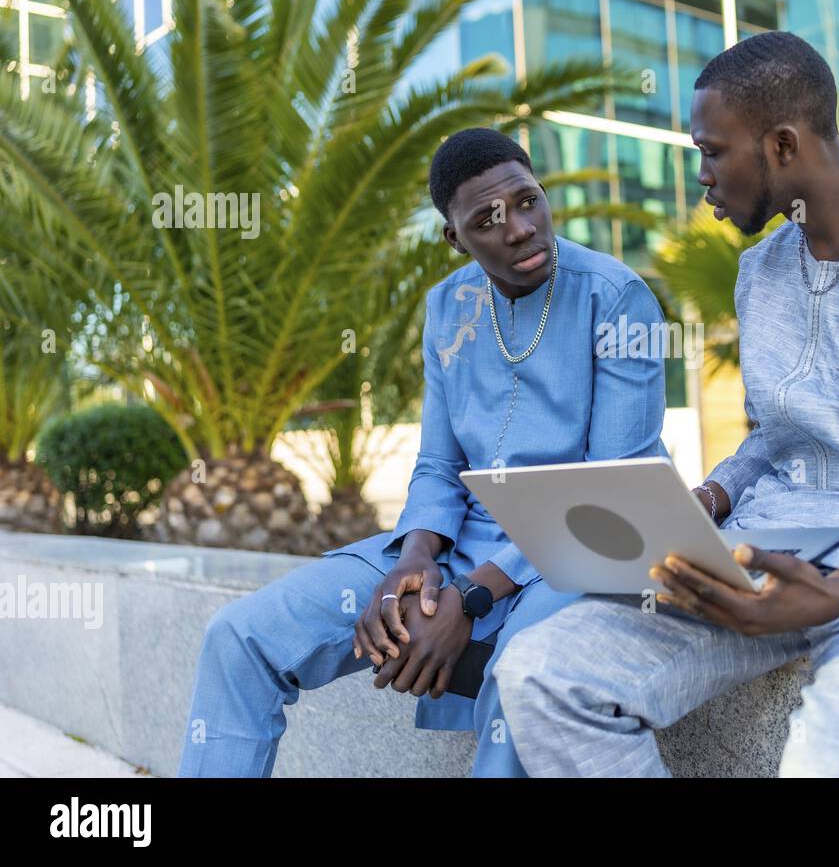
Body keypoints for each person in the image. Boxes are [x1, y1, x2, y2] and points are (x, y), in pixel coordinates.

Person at [493, 31, 839, 777]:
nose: (701, 177)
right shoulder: (760, 269)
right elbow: (779, 437)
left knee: (835, 750)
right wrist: (712, 493)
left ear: (783, 145)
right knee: (541, 672)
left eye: (711, 151)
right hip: (769, 548)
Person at [177, 128, 670, 777]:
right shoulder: (448, 307)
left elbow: (610, 493)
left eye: (528, 202)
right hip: (463, 544)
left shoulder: (618, 297)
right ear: (455, 238)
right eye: (487, 220)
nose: (519, 228)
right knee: (240, 637)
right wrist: (413, 563)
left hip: (577, 558)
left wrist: (470, 600)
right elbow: (439, 466)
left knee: (522, 688)